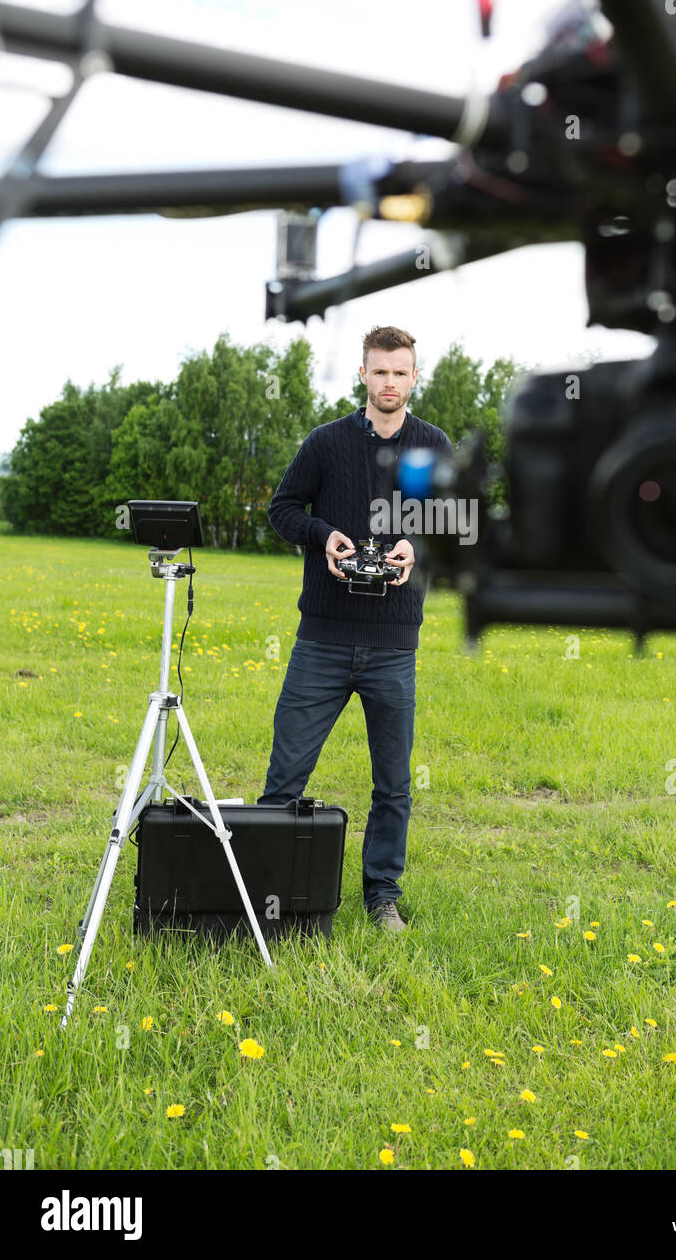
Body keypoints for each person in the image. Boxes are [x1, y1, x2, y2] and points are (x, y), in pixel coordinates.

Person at [259, 324, 451, 931]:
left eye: (400, 371)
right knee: (286, 777)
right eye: (380, 370)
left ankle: (381, 896)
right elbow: (282, 511)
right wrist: (324, 538)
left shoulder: (430, 447)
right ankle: (267, 892)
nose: (389, 381)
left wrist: (414, 547)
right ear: (362, 374)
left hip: (394, 646)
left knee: (392, 784)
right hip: (322, 639)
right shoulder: (326, 443)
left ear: (414, 377)